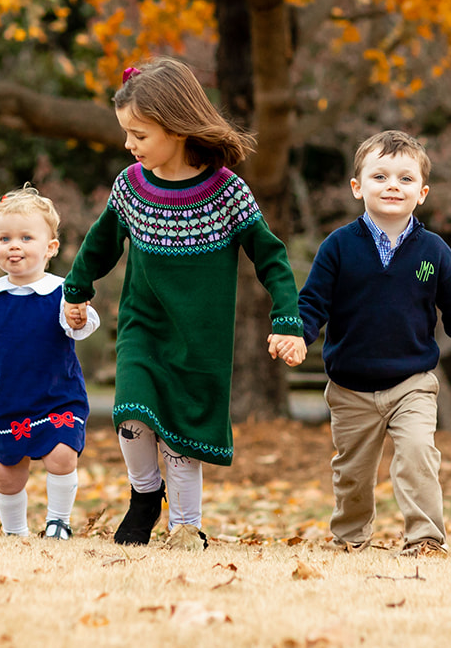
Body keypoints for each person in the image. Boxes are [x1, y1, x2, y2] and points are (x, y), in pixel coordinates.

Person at [61, 58, 305, 551]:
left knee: (179, 436)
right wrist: (76, 288)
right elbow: (100, 244)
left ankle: (186, 527)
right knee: (131, 414)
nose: (128, 144)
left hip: (199, 341)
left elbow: (271, 258)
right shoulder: (131, 186)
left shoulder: (226, 192)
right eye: (126, 133)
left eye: (139, 134)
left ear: (175, 128)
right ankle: (145, 495)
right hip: (142, 327)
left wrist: (287, 319)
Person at [297, 130, 451, 558]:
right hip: (350, 387)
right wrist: (298, 335)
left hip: (412, 383)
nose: (392, 186)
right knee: (352, 472)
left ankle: (425, 538)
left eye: (405, 179)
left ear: (422, 193)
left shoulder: (434, 252)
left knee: (419, 454)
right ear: (357, 187)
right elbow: (312, 303)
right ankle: (351, 537)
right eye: (380, 176)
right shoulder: (338, 247)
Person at [0, 185, 101, 539]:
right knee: (7, 476)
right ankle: (15, 533)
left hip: (58, 396)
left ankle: (58, 522)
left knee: (62, 455)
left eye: (26, 238)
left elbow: (83, 324)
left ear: (50, 247)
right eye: (5, 238)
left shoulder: (62, 290)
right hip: (7, 402)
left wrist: (78, 318)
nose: (14, 245)